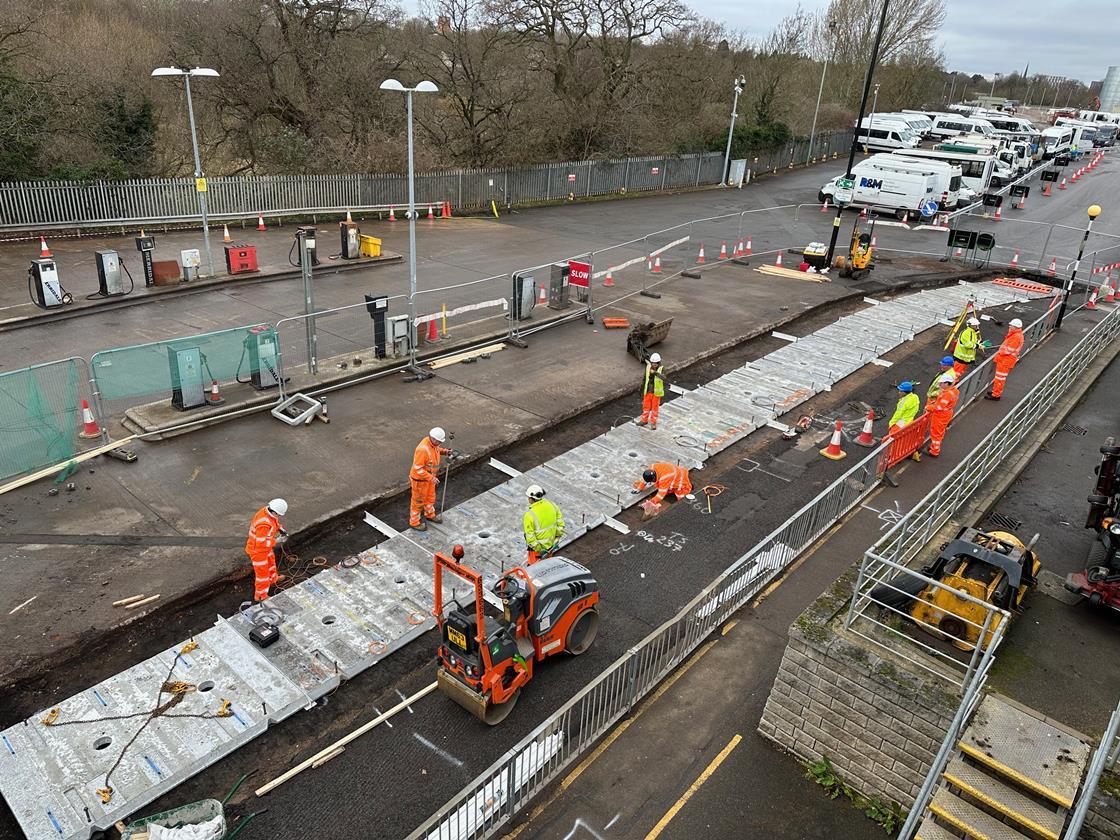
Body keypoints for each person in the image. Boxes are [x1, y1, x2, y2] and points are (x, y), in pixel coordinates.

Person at [245, 499, 287, 602]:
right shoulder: (264, 524)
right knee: (262, 574)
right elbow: (261, 542)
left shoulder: (267, 511)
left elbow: (274, 522)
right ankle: (260, 596)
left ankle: (273, 579)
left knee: (271, 563)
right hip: (257, 551)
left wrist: (280, 528)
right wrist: (276, 541)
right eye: (279, 515)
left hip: (265, 549)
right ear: (275, 512)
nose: (278, 516)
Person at [410, 427, 451, 530]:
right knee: (418, 502)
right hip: (420, 481)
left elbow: (436, 450)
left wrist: (446, 452)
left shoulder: (433, 444)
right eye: (438, 441)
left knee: (430, 498)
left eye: (440, 442)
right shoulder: (422, 449)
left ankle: (430, 515)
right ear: (433, 438)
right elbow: (418, 468)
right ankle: (414, 522)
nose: (439, 443)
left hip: (429, 478)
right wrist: (430, 478)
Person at [523, 484, 566, 564]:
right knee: (548, 565)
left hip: (537, 552)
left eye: (528, 497)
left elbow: (530, 537)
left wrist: (539, 549)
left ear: (531, 499)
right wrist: (556, 539)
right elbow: (560, 524)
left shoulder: (529, 515)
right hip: (551, 547)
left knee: (534, 569)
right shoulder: (552, 505)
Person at [986, 318, 1025, 400]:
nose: (1009, 326)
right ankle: (995, 391)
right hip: (1005, 360)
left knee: (1000, 378)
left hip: (1005, 360)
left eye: (1011, 325)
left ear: (1015, 327)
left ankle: (996, 395)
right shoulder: (1016, 334)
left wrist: (1000, 351)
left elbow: (1008, 350)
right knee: (999, 378)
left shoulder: (1016, 337)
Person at [926, 374, 961, 457]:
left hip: (941, 415)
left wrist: (928, 407)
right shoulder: (954, 391)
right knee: (939, 432)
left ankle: (934, 451)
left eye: (941, 383)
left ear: (946, 383)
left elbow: (939, 407)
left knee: (936, 433)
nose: (940, 385)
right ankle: (934, 447)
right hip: (946, 414)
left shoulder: (947, 394)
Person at [636, 352, 667, 430]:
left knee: (654, 409)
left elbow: (664, 378)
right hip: (648, 391)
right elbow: (645, 378)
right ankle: (644, 420)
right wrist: (641, 388)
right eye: (653, 363)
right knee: (646, 407)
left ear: (658, 363)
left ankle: (653, 423)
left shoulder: (661, 369)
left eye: (656, 363)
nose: (654, 364)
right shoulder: (648, 367)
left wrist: (655, 373)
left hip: (656, 393)